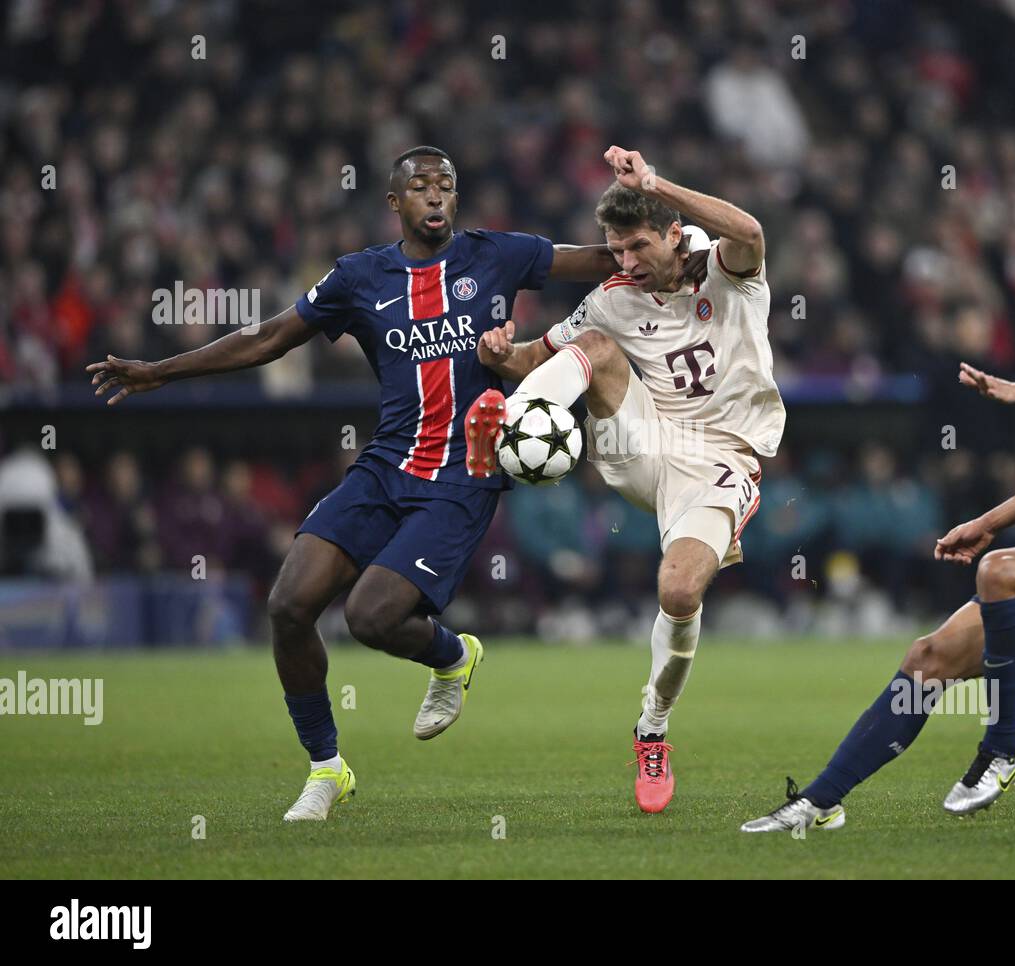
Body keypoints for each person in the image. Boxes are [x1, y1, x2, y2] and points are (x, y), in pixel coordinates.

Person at [86, 146, 676, 822]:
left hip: (463, 476)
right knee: (288, 604)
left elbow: (609, 259)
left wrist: (684, 245)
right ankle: (325, 768)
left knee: (370, 616)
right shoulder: (360, 276)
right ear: (394, 202)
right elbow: (271, 337)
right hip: (385, 464)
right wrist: (161, 371)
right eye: (420, 186)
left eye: (447, 186)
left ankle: (452, 655)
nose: (436, 196)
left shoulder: (498, 256)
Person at [742, 244, 1015, 832]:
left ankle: (1002, 749)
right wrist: (986, 523)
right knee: (927, 660)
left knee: (1000, 572)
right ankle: (818, 804)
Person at [464, 146, 783, 813]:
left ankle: (652, 727)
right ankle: (505, 429)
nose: (626, 262)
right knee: (596, 350)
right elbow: (542, 354)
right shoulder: (612, 297)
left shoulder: (724, 266)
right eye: (615, 248)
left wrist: (657, 181)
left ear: (674, 232)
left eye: (638, 245)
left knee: (678, 586)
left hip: (723, 457)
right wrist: (501, 357)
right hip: (644, 442)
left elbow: (751, 232)